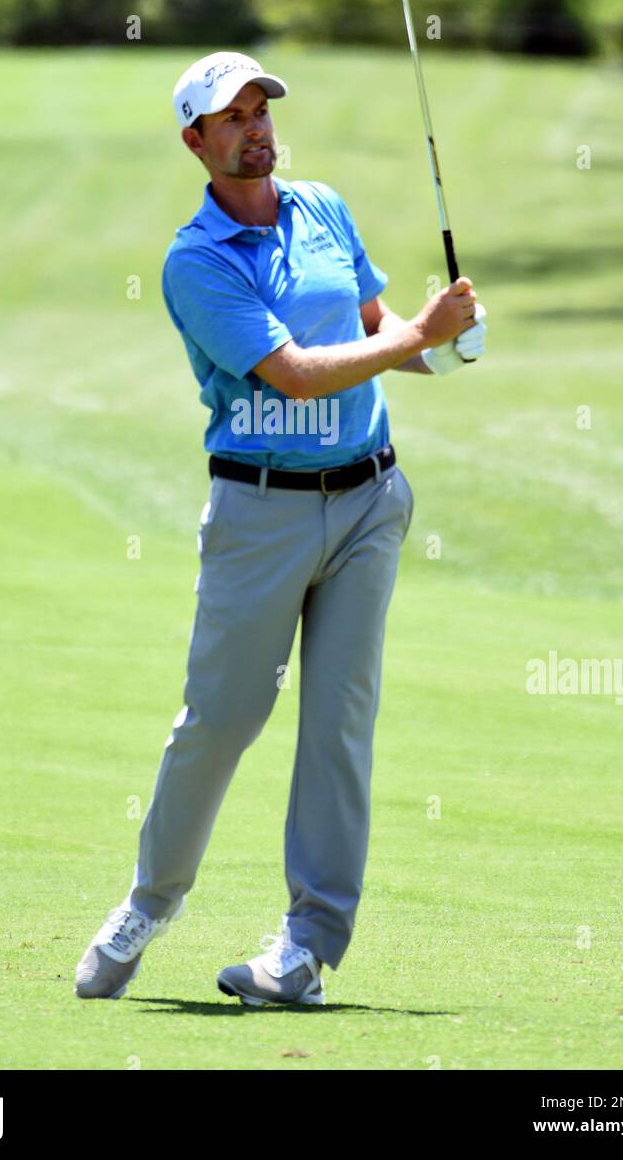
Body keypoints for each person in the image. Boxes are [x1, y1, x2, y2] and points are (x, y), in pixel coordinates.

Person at [75, 50, 487, 1006]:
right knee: (220, 719)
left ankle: (306, 948)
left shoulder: (325, 208)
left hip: (369, 501)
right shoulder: (196, 260)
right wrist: (417, 337)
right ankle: (151, 900)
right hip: (261, 510)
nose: (256, 128)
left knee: (340, 721)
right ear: (197, 142)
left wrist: (451, 348)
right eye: (233, 118)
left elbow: (378, 334)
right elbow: (298, 372)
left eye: (262, 110)